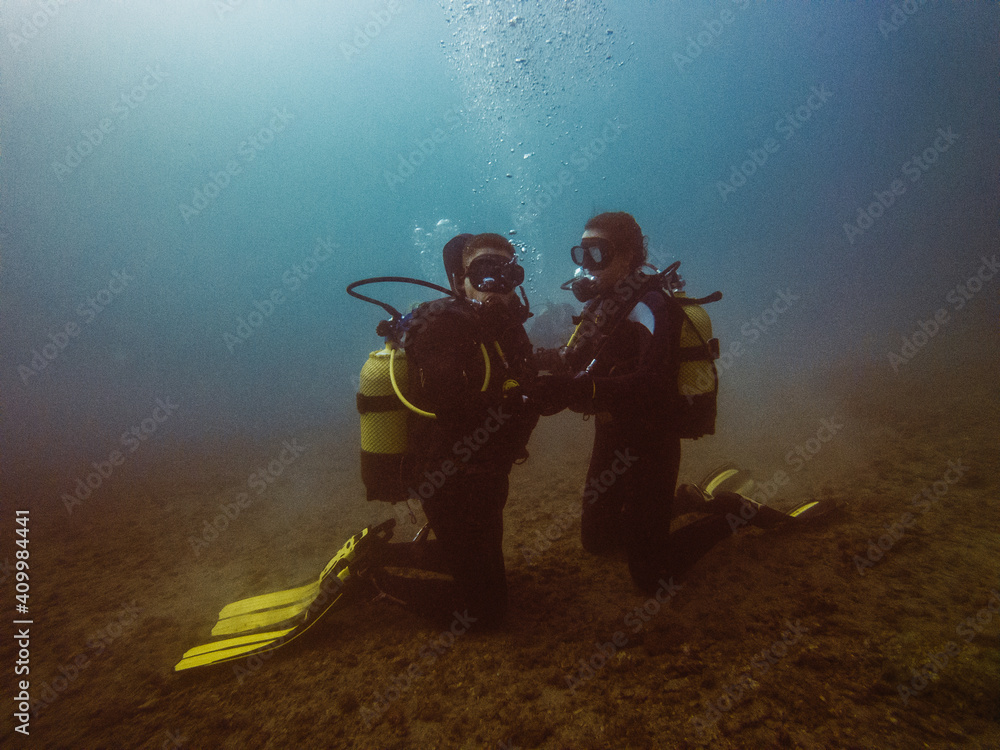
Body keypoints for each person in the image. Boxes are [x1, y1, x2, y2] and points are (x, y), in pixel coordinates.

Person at [528, 212, 785, 593]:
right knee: (597, 541)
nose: (588, 265)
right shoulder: (604, 306)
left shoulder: (650, 304)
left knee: (650, 574)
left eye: (599, 253)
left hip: (652, 440)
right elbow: (573, 360)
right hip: (611, 433)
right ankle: (681, 502)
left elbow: (651, 384)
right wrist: (528, 361)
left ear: (630, 254)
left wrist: (580, 392)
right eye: (582, 254)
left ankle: (735, 512)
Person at [372, 232, 538, 628]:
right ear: (459, 280)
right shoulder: (442, 325)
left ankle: (382, 555)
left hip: (488, 475)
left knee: (479, 562)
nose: (497, 284)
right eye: (483, 272)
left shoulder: (508, 327)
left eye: (506, 272)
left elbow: (520, 378)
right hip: (448, 479)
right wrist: (522, 400)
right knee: (485, 612)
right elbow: (448, 403)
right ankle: (372, 580)